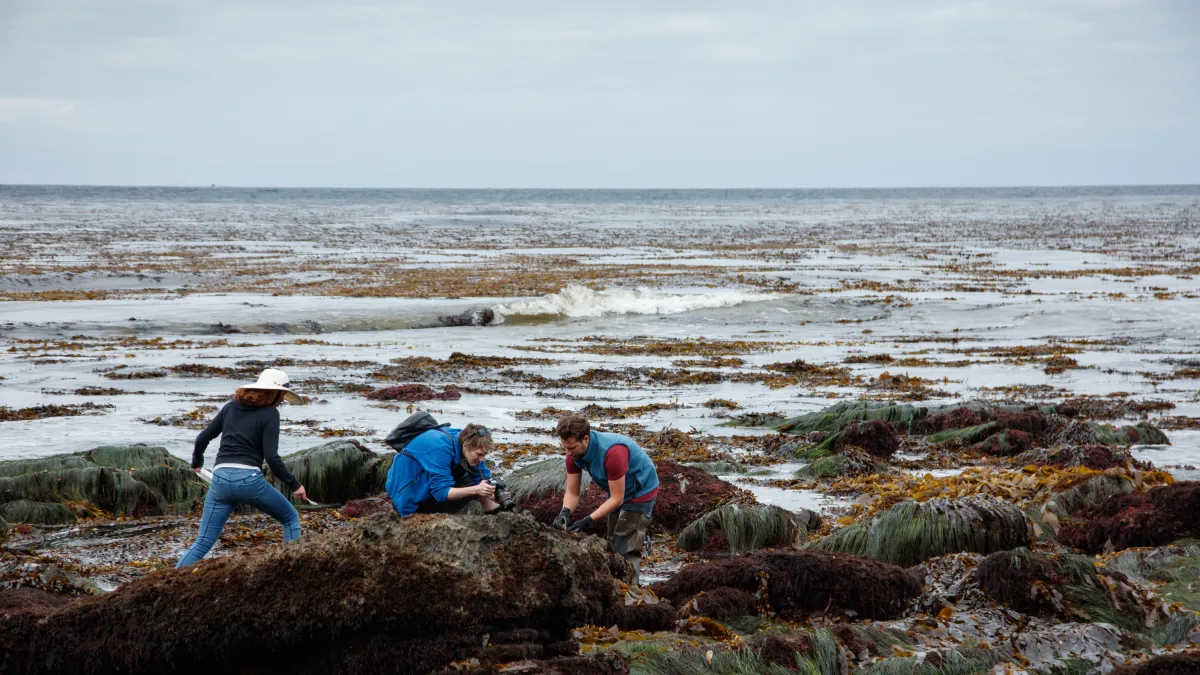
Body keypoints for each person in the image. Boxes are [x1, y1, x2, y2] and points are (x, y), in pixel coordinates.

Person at [176, 368, 308, 568]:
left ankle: (170, 580)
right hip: (249, 481)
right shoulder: (270, 414)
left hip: (219, 480)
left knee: (202, 543)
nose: (282, 401)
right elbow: (272, 457)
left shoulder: (230, 407)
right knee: (290, 518)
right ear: (273, 393)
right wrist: (295, 485)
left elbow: (202, 438)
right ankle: (293, 572)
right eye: (282, 395)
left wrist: (196, 462)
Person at [551, 414, 659, 585]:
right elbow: (572, 492)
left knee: (626, 549)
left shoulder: (612, 453)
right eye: (565, 447)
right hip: (617, 490)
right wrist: (565, 511)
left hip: (641, 490)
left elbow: (617, 498)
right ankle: (616, 584)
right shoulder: (573, 455)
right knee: (613, 545)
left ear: (585, 439)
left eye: (571, 448)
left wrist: (586, 520)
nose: (568, 453)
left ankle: (632, 591)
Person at [386, 423, 501, 516]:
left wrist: (496, 494)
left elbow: (483, 479)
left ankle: (497, 523)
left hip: (431, 487)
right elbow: (440, 492)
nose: (482, 459)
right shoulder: (440, 448)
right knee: (475, 489)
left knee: (482, 489)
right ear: (465, 446)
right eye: (479, 454)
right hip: (409, 499)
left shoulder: (468, 442)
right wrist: (475, 490)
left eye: (485, 455)